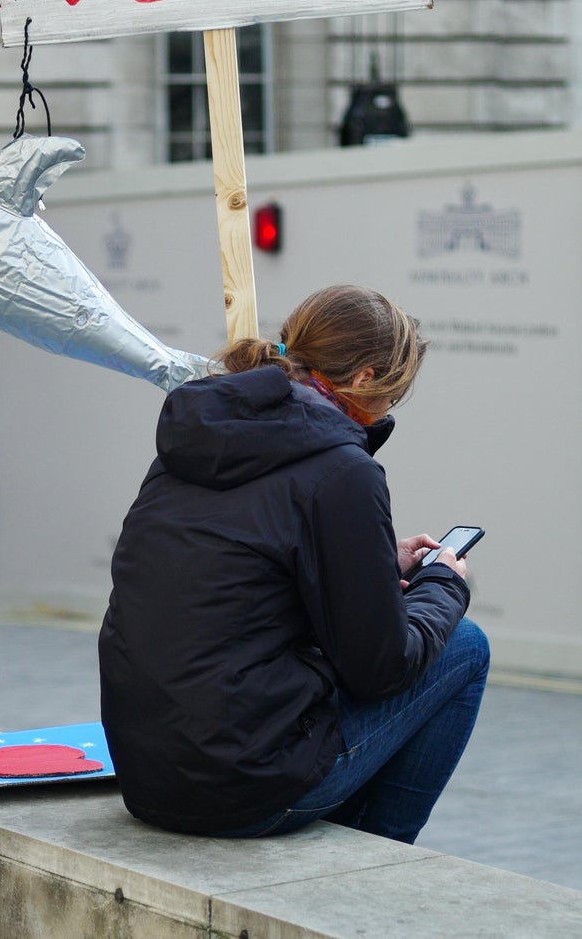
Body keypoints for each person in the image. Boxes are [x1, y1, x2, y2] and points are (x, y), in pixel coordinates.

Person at [98, 284, 489, 842]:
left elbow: (242, 577)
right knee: (466, 645)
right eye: (393, 397)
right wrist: (445, 584)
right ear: (365, 379)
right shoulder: (341, 471)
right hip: (240, 788)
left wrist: (376, 561)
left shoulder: (195, 438)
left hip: (147, 774)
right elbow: (381, 669)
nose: (386, 411)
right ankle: (377, 860)